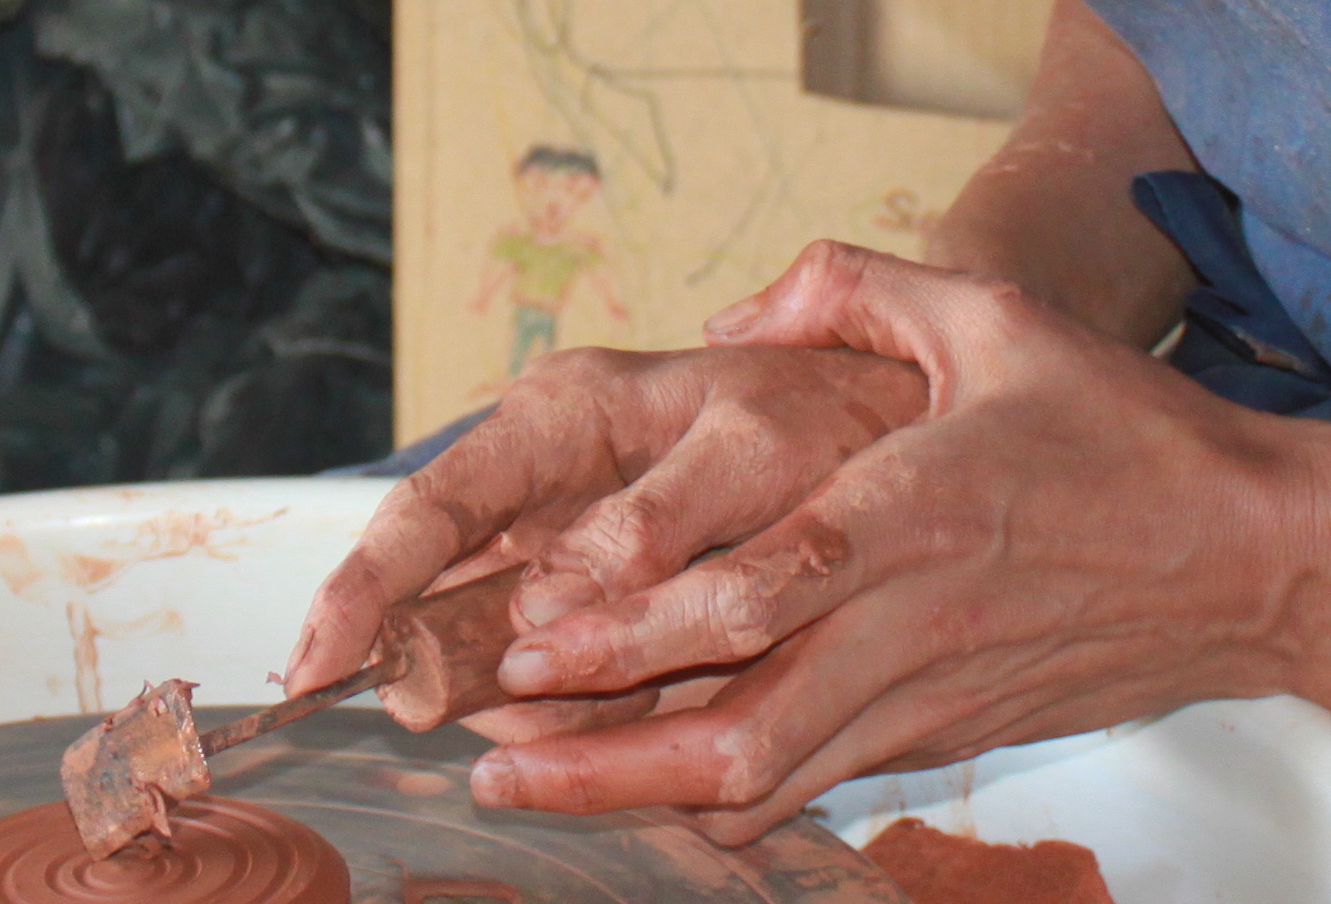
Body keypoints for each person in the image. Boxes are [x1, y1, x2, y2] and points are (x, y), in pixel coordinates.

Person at [286, 0, 1331, 846]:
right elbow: (1197, 44)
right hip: (1241, 352)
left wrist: (1256, 564)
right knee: (414, 529)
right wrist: (931, 361)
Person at [471, 145, 629, 378]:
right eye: (539, 185)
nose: (553, 202)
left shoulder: (577, 247)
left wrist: (612, 302)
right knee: (519, 348)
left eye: (571, 190)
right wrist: (484, 296)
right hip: (524, 307)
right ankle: (512, 382)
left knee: (547, 354)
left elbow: (598, 273)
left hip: (549, 311)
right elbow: (500, 268)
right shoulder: (519, 240)